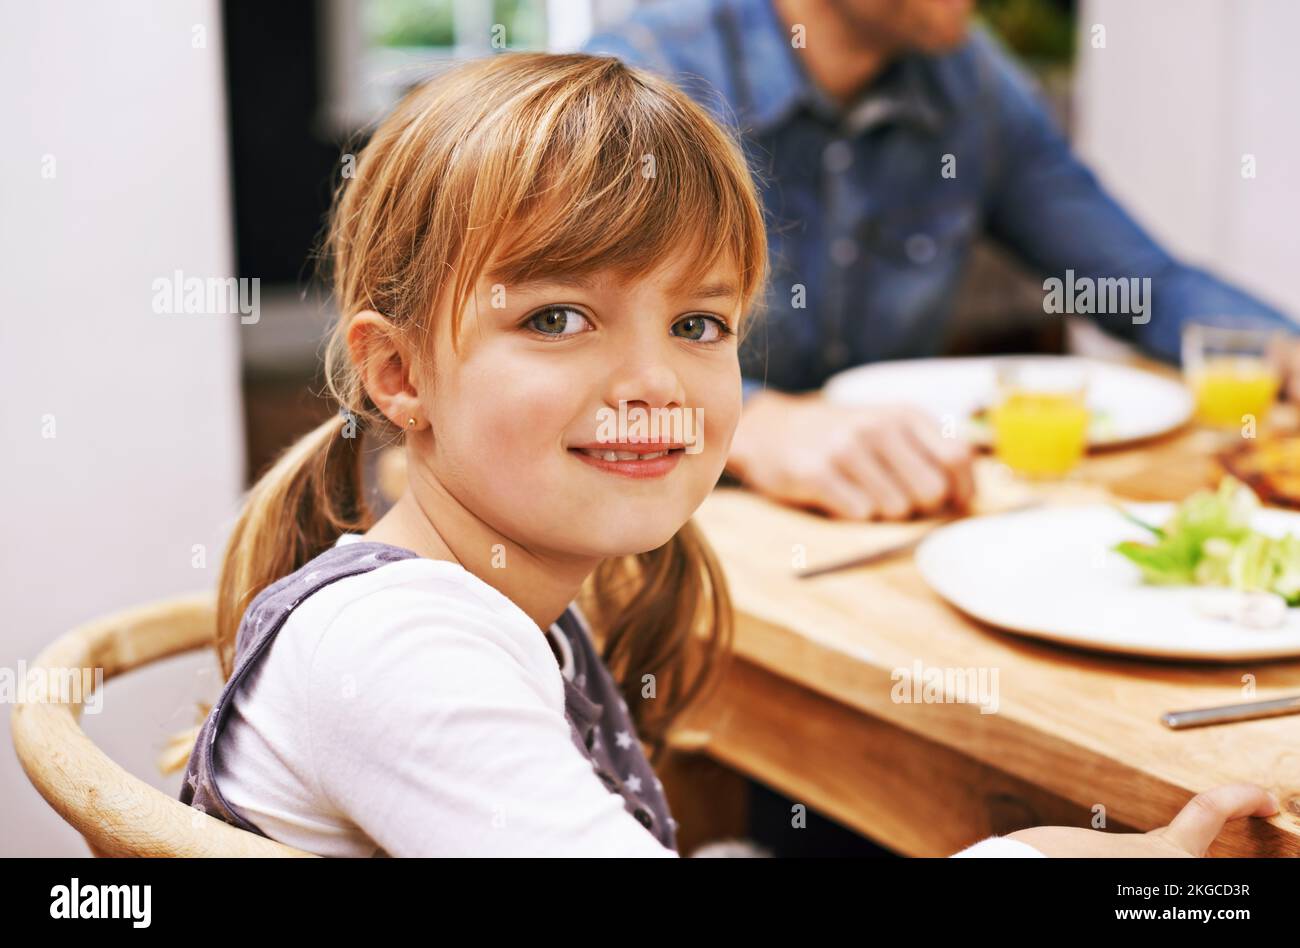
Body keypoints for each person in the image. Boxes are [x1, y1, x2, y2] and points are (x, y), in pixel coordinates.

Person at [173, 51, 1275, 857]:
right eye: (557, 318)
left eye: (699, 326)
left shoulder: (483, 605)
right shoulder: (400, 650)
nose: (654, 380)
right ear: (399, 375)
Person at [584, 0, 1299, 522]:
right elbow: (542, 347)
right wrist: (750, 425)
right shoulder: (643, 77)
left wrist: (1284, 353)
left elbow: (1137, 283)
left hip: (901, 515)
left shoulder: (972, 83)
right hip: (675, 527)